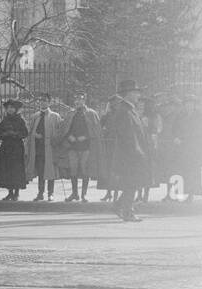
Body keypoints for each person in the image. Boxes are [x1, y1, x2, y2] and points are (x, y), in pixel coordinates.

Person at [106, 79, 151, 221]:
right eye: (136, 92)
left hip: (132, 153)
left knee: (132, 183)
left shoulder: (130, 110)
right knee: (132, 183)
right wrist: (137, 152)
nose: (138, 95)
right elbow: (128, 135)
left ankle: (120, 206)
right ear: (128, 94)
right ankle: (127, 211)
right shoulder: (125, 111)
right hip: (130, 155)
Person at [59, 92, 101, 201]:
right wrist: (69, 136)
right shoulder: (70, 114)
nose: (78, 101)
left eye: (80, 99)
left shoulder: (91, 113)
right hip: (73, 146)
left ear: (85, 100)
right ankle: (74, 193)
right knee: (73, 169)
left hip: (86, 146)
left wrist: (86, 136)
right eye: (76, 99)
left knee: (84, 169)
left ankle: (84, 194)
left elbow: (96, 130)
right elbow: (65, 128)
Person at [25, 93, 62, 201]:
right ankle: (40, 193)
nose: (42, 102)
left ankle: (51, 193)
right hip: (38, 149)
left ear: (49, 102)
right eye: (40, 100)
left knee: (50, 171)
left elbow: (60, 132)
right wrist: (34, 135)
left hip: (50, 148)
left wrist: (54, 141)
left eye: (45, 100)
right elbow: (30, 131)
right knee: (41, 171)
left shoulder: (55, 116)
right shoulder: (35, 116)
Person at [173, 95, 202, 200]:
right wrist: (176, 137)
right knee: (182, 170)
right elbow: (175, 128)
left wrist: (185, 138)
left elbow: (200, 131)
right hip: (182, 148)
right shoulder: (180, 115)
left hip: (194, 147)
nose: (189, 105)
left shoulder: (200, 116)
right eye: (187, 103)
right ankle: (181, 193)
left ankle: (191, 193)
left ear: (194, 105)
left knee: (193, 171)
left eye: (191, 103)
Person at [0, 98, 29, 201]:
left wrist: (15, 134)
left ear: (16, 109)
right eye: (8, 108)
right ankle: (10, 192)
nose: (10, 109)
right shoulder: (5, 120)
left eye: (12, 108)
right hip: (7, 147)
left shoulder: (20, 119)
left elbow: (25, 133)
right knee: (8, 169)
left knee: (16, 169)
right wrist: (4, 134)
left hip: (17, 147)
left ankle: (16, 193)